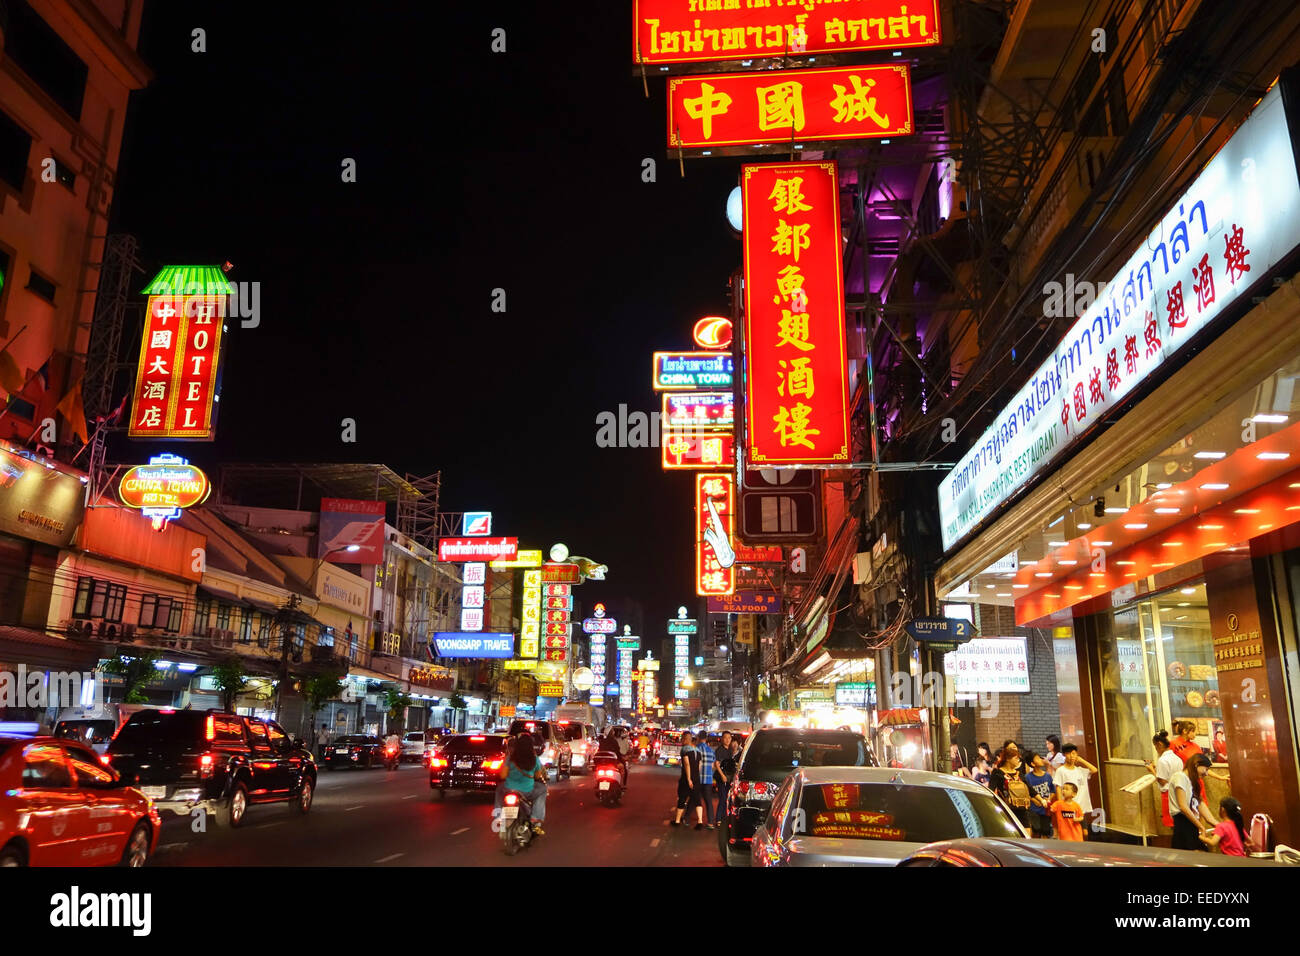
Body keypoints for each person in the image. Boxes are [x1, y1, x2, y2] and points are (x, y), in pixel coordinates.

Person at [495, 733, 547, 835]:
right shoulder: (534, 759)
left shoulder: (510, 758)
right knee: (542, 790)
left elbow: (503, 775)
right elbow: (537, 776)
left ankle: (498, 817)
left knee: (499, 790)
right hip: (527, 791)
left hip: (509, 789)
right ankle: (536, 819)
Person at [1168, 753, 1217, 850]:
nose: (1206, 773)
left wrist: (1219, 825)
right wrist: (1201, 827)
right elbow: (1183, 807)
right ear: (1196, 765)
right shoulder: (1180, 776)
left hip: (1191, 824)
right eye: (1206, 769)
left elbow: (1201, 804)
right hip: (1183, 824)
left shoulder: (1192, 781)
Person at [1053, 744, 1099, 835]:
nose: (1072, 756)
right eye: (1069, 754)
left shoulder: (1081, 770)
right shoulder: (1061, 770)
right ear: (1064, 755)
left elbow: (1094, 770)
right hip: (1068, 808)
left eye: (1074, 753)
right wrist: (1060, 805)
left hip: (1081, 808)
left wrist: (1081, 760)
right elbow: (1058, 788)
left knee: (1084, 833)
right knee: (1072, 832)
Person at [1145, 730, 1183, 830]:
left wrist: (1152, 770)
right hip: (1179, 793)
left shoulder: (1162, 760)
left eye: (1155, 746)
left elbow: (1162, 780)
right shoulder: (1177, 758)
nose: (1156, 749)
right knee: (1178, 823)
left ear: (1160, 744)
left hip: (1168, 795)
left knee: (1173, 825)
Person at [988, 743, 1032, 830]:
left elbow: (1029, 788)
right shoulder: (997, 772)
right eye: (1016, 758)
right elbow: (991, 790)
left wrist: (1041, 799)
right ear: (1008, 759)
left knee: (1026, 836)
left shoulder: (1018, 773)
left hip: (1022, 808)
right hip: (1007, 809)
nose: (1018, 760)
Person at [672, 731, 706, 829]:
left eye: (682, 739)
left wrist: (688, 779)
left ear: (686, 739)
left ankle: (677, 821)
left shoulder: (684, 750)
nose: (681, 741)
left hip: (686, 779)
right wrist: (695, 778)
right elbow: (699, 765)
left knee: (682, 798)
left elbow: (686, 764)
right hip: (696, 779)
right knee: (697, 799)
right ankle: (700, 822)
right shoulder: (698, 751)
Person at [1022, 751, 1057, 838]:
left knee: (1045, 831)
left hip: (1045, 810)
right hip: (1033, 810)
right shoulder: (1028, 777)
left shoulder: (1047, 776)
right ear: (1033, 764)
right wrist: (1034, 800)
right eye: (1037, 758)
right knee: (1036, 829)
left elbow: (1053, 791)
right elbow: (1026, 794)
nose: (1041, 759)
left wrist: (1049, 799)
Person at [697, 733, 716, 828]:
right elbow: (713, 766)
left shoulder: (696, 749)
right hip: (708, 779)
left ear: (698, 738)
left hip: (698, 778)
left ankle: (687, 819)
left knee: (695, 799)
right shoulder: (711, 750)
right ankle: (710, 822)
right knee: (708, 801)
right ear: (706, 739)